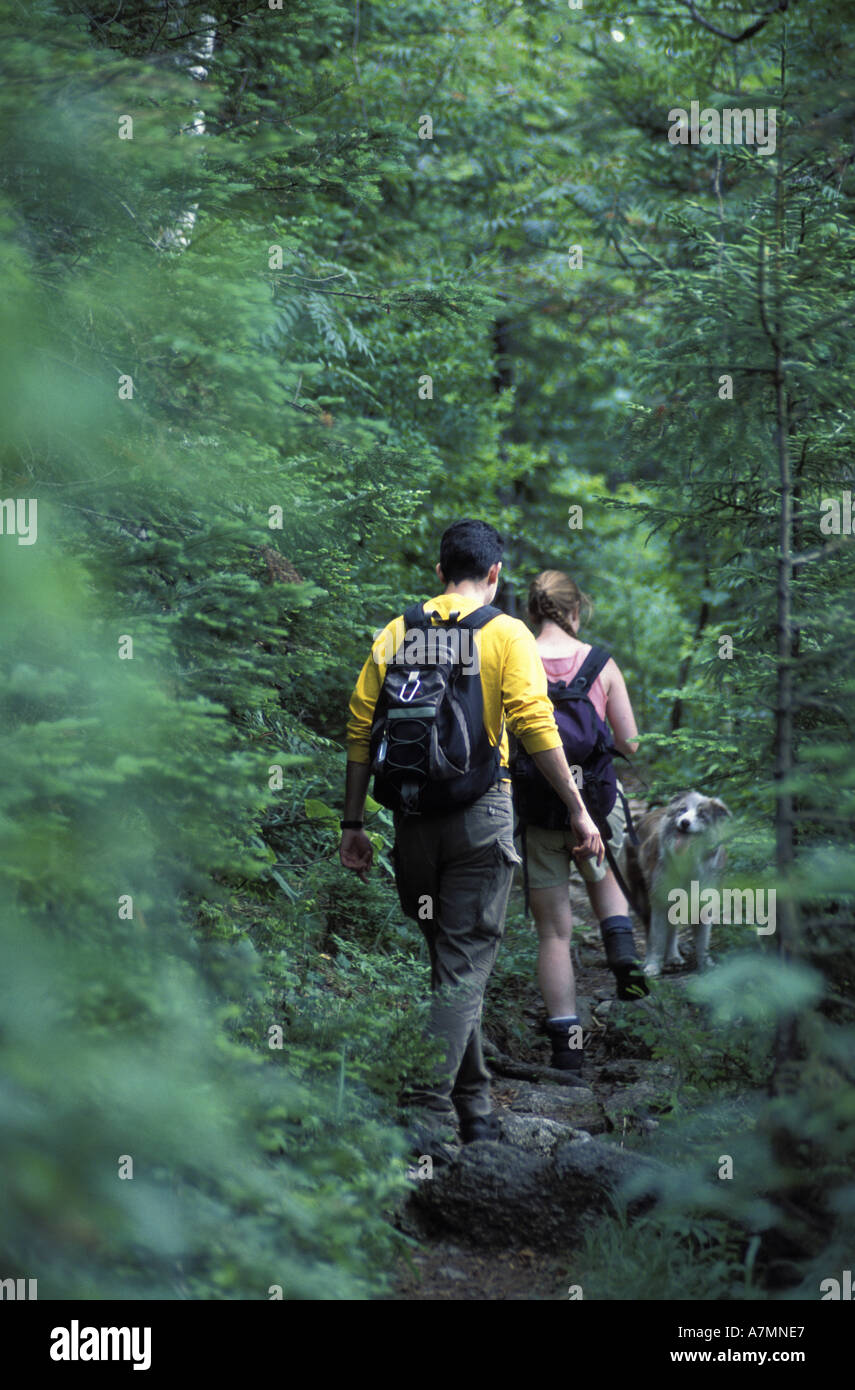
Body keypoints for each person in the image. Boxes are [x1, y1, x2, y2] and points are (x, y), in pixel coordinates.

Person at [339, 521, 604, 1160]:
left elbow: (358, 730)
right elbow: (535, 723)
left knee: (454, 967)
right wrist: (578, 810)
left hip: (410, 822)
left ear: (438, 573)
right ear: (494, 574)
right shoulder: (504, 632)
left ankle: (477, 1110)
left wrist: (351, 824)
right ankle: (427, 1118)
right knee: (462, 969)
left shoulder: (398, 630)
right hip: (481, 820)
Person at [523, 570, 646, 1076]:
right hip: (595, 803)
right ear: (575, 612)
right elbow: (631, 743)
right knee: (605, 880)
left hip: (539, 805)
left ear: (533, 612)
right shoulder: (601, 663)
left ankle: (567, 1050)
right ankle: (623, 958)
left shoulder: (516, 658)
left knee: (553, 933)